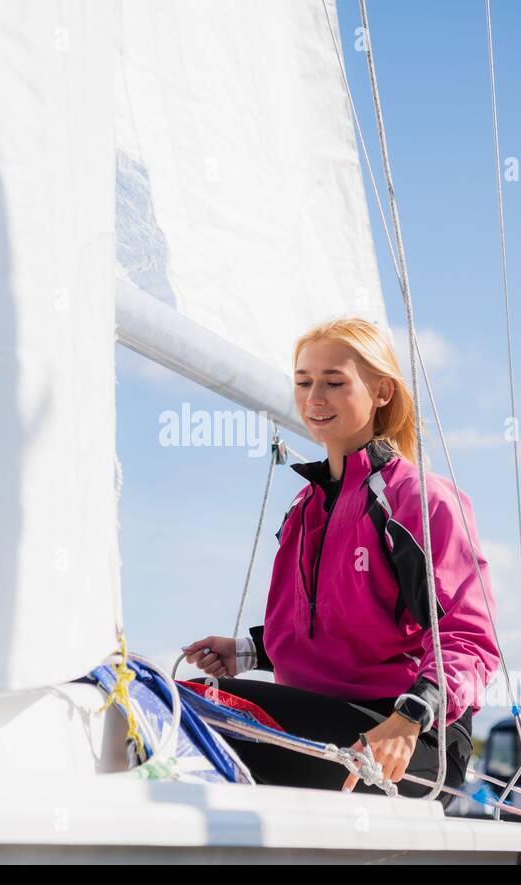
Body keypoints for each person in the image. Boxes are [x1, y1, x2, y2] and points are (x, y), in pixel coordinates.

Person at [182, 317, 500, 806]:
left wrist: (410, 717)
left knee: (189, 709)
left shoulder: (420, 501)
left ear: (382, 393)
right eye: (304, 382)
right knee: (175, 700)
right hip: (322, 723)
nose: (315, 398)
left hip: (408, 742)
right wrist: (247, 651)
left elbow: (470, 640)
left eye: (334, 382)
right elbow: (336, 629)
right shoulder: (304, 510)